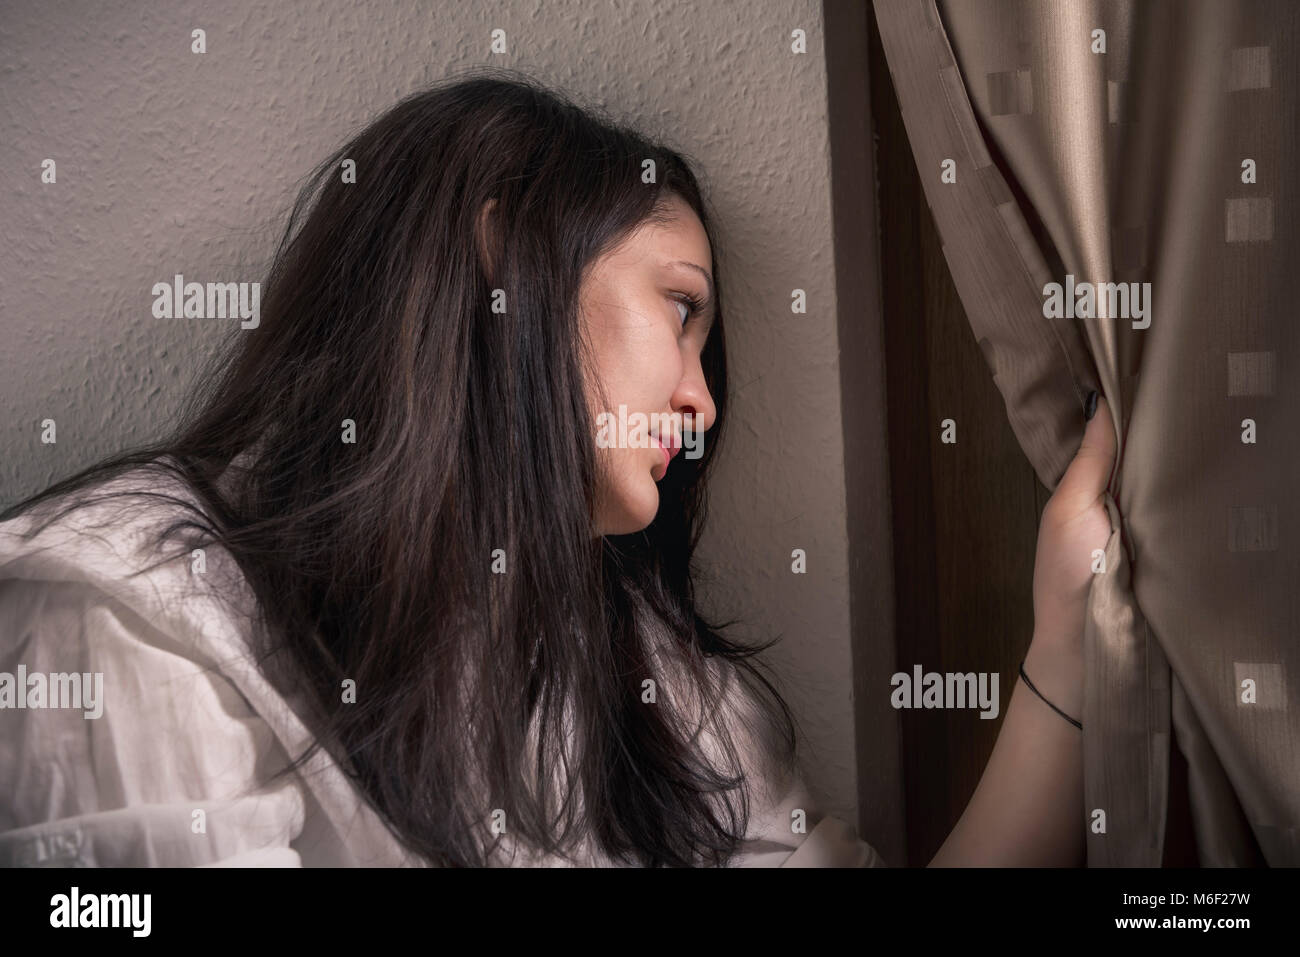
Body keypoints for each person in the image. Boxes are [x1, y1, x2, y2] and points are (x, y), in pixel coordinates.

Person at [0, 71, 1115, 867]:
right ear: (500, 261)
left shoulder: (654, 684)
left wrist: (1065, 647)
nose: (703, 401)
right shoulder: (123, 622)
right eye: (678, 310)